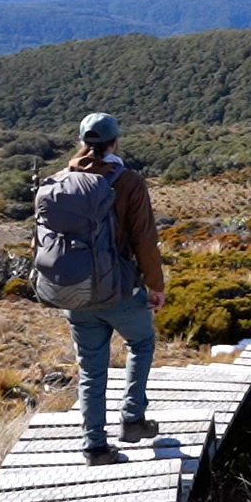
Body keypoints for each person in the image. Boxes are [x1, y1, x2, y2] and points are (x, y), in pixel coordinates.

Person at [58, 112, 166, 465]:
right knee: (142, 341)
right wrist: (155, 285)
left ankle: (94, 446)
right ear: (115, 142)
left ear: (82, 142)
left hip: (75, 291)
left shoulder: (63, 180)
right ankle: (132, 419)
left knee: (91, 370)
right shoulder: (128, 181)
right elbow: (144, 239)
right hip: (118, 289)